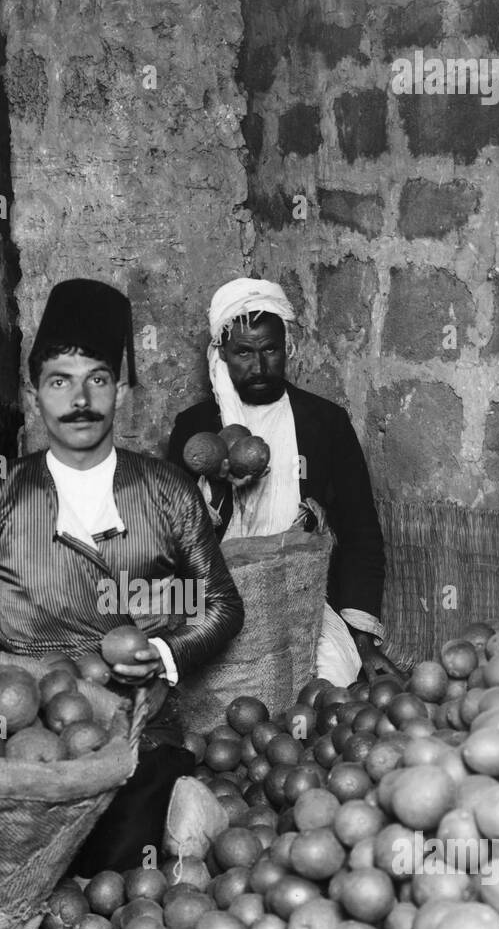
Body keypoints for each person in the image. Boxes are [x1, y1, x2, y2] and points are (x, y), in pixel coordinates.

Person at [0, 278, 244, 875]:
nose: (80, 401)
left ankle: (174, 802)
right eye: (59, 382)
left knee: (112, 854)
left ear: (120, 389)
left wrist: (165, 656)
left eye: (97, 379)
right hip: (19, 724)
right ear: (35, 392)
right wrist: (8, 679)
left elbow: (221, 604)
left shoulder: (166, 491)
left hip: (130, 722)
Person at [168, 277, 399, 687]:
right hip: (217, 598)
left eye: (270, 349)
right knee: (208, 687)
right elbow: (171, 540)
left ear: (287, 346)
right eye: (243, 352)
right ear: (221, 355)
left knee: (331, 685)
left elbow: (361, 534)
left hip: (302, 597)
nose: (258, 366)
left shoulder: (326, 423)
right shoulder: (196, 430)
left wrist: (363, 640)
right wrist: (217, 490)